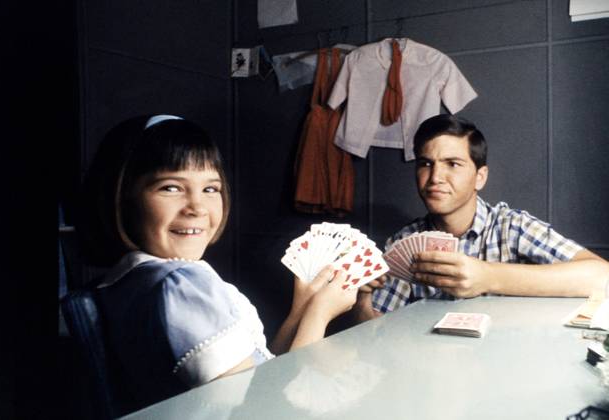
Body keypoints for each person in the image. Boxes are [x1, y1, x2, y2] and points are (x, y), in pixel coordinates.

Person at [77, 114, 358, 410]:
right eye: (171, 187)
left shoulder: (130, 280)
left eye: (210, 189)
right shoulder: (184, 286)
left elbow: (261, 377)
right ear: (122, 197)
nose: (197, 207)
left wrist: (301, 311)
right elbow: (263, 410)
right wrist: (319, 315)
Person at [357, 114, 609, 319]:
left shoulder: (512, 227)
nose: (435, 177)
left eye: (452, 164)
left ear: (480, 177)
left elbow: (603, 277)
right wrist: (361, 301)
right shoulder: (404, 241)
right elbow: (376, 334)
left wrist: (487, 276)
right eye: (426, 164)